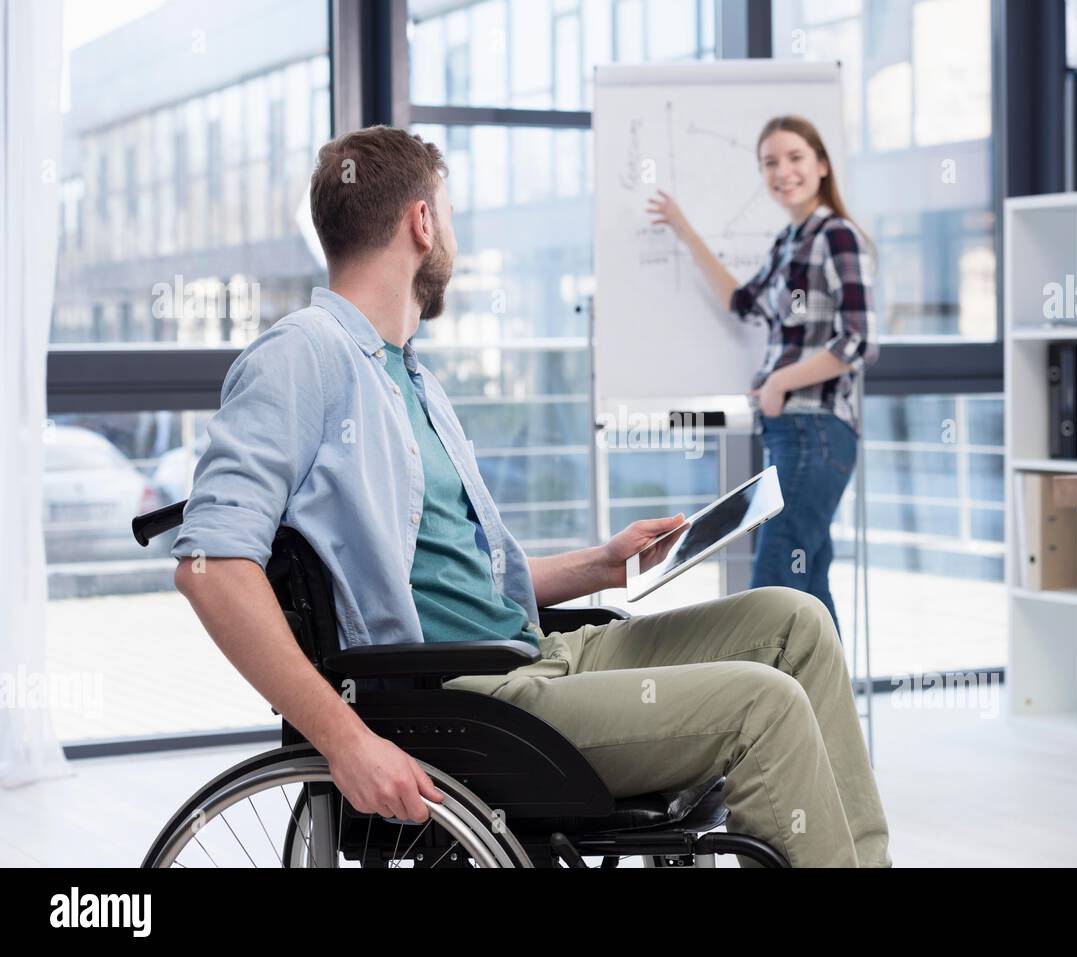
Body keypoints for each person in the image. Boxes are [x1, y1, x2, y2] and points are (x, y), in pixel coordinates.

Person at [172, 125, 889, 867]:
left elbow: (463, 580)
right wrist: (346, 738)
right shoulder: (303, 355)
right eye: (447, 214)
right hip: (476, 701)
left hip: (541, 653)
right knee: (761, 705)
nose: (451, 233)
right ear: (421, 223)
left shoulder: (411, 377)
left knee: (795, 621)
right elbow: (211, 569)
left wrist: (603, 566)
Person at [647, 115, 879, 636]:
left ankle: (771, 711)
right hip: (791, 433)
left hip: (816, 429)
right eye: (770, 162)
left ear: (821, 165)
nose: (782, 171)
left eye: (795, 157)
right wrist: (683, 228)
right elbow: (741, 301)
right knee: (808, 586)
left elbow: (858, 340)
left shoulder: (836, 236)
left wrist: (781, 381)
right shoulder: (790, 241)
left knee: (774, 589)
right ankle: (827, 714)